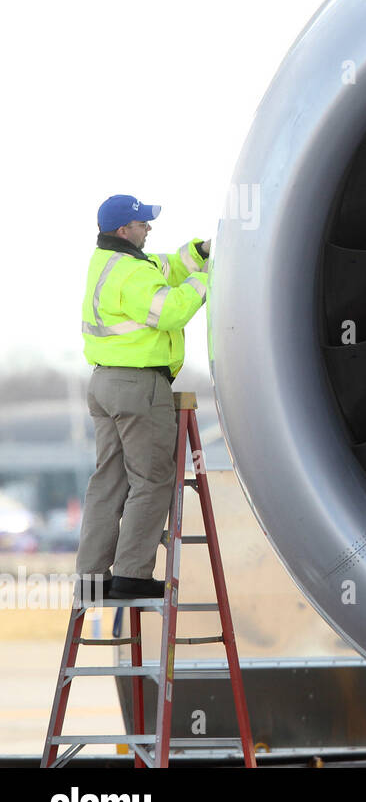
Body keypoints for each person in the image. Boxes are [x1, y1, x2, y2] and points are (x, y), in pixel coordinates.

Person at [77, 194, 211, 600]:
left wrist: (201, 253)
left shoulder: (112, 263)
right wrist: (207, 280)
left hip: (105, 384)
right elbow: (170, 310)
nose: (148, 228)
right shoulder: (133, 274)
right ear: (124, 231)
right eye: (142, 224)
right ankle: (132, 574)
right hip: (138, 387)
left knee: (109, 481)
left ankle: (92, 577)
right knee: (152, 479)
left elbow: (166, 267)